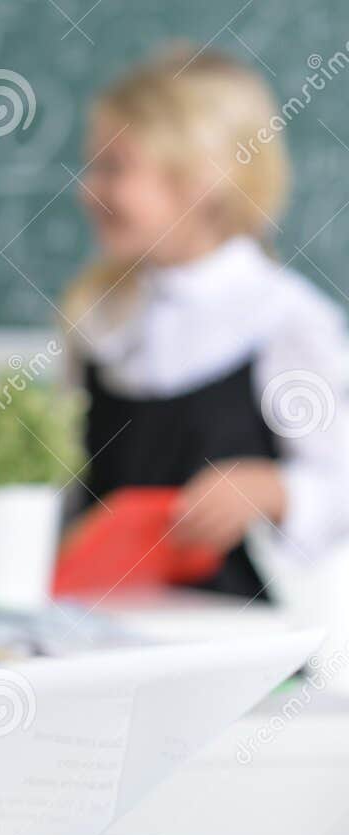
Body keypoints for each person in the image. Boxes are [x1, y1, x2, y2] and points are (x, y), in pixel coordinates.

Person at [64, 46, 349, 600]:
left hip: (237, 647)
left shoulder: (286, 318)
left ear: (202, 179)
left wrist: (272, 490)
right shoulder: (98, 316)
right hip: (100, 632)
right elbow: (71, 497)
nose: (87, 189)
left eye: (114, 167)